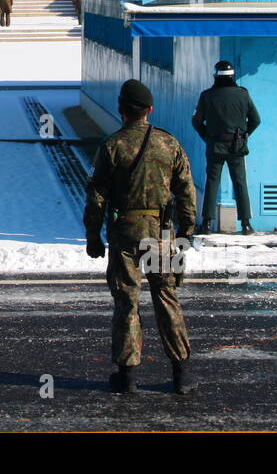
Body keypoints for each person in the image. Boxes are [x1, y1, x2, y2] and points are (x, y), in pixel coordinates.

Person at [84, 79, 198, 395]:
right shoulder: (170, 144)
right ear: (150, 110)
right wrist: (187, 231)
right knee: (167, 298)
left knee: (127, 301)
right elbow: (186, 191)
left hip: (125, 233)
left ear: (121, 110)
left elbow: (97, 196)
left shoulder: (111, 146)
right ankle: (182, 373)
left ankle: (127, 374)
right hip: (161, 233)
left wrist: (93, 235)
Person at [192, 59, 261, 235]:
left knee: (212, 182)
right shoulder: (243, 94)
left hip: (215, 145)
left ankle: (207, 223)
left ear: (215, 76)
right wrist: (244, 136)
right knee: (240, 182)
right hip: (237, 146)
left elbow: (196, 121)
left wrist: (207, 137)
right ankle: (246, 224)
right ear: (233, 76)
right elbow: (256, 120)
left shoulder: (207, 96)